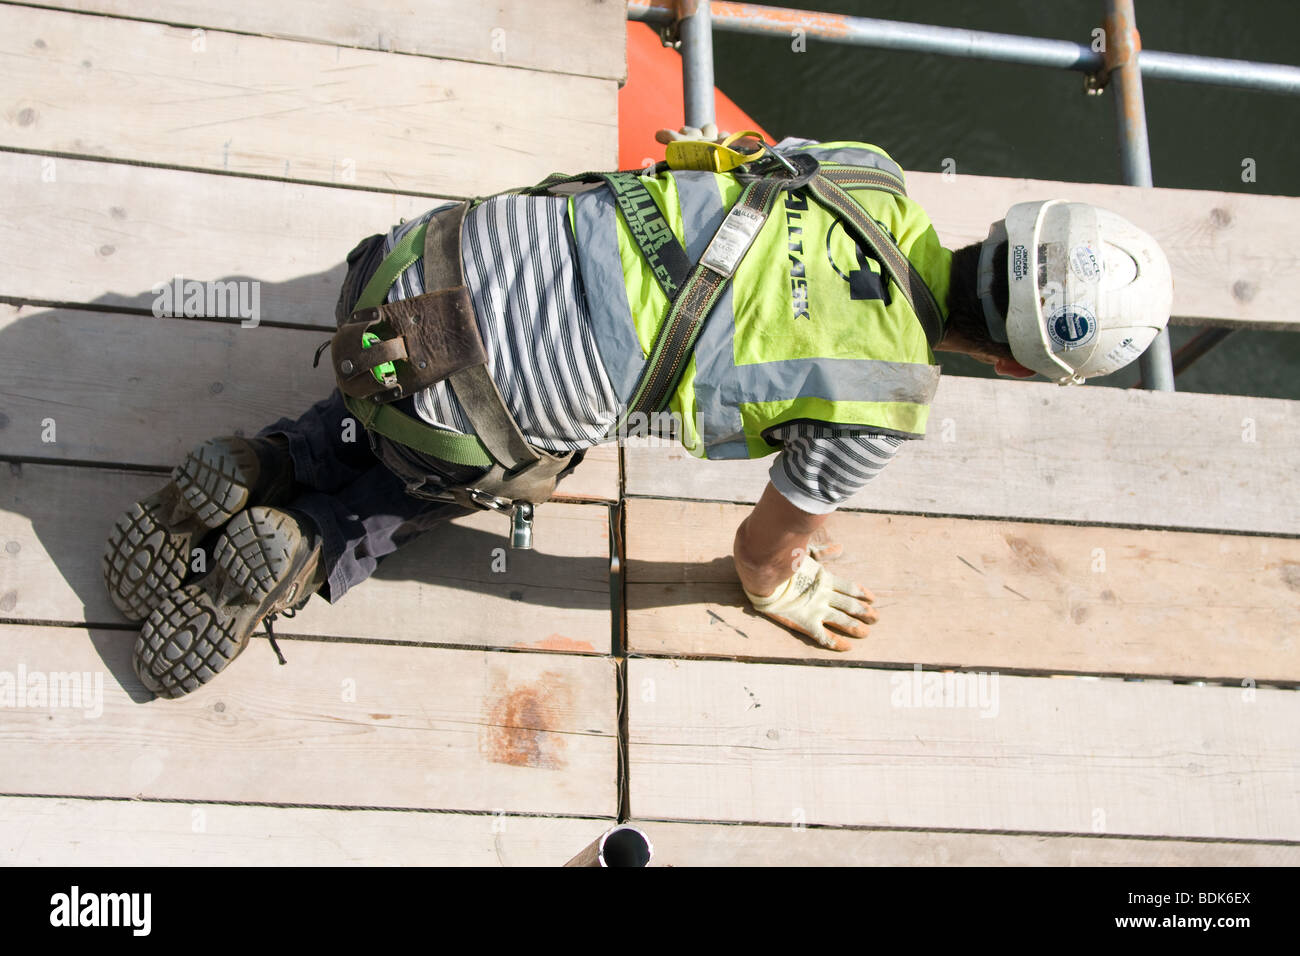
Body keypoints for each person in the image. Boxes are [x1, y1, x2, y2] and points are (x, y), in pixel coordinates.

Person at [103, 133, 1172, 698]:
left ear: (1005, 225)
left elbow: (706, 154)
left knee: (423, 377)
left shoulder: (869, 173)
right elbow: (759, 554)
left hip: (409, 263)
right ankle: (308, 538)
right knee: (516, 451)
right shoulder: (880, 399)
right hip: (453, 414)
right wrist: (784, 578)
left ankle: (274, 454)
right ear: (1023, 370)